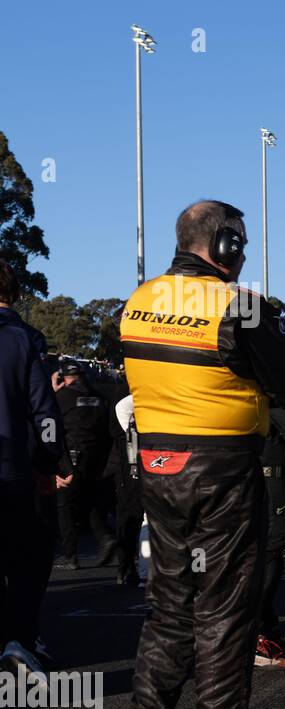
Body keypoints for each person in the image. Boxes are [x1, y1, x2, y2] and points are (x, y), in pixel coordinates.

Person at [117, 199, 285, 709]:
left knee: (169, 608)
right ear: (224, 244)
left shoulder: (138, 301)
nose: (244, 253)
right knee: (225, 613)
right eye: (240, 242)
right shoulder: (237, 305)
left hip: (157, 467)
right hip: (221, 467)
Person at [0, 259, 63, 684]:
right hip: (13, 474)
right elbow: (46, 414)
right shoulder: (23, 339)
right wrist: (48, 463)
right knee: (27, 559)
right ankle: (19, 639)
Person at [52, 360, 115, 570]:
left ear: (63, 377)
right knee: (88, 500)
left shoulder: (62, 397)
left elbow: (50, 423)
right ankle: (105, 537)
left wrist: (53, 392)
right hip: (97, 457)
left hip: (72, 457)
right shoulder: (99, 397)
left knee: (65, 505)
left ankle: (70, 555)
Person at [255, 405, 285, 668]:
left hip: (273, 472)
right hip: (270, 475)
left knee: (271, 554)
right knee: (270, 551)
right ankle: (256, 636)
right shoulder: (271, 396)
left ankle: (266, 631)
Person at [109, 392, 144, 587]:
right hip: (136, 456)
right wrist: (131, 436)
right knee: (132, 512)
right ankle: (127, 565)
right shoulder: (146, 393)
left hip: (148, 453)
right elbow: (122, 407)